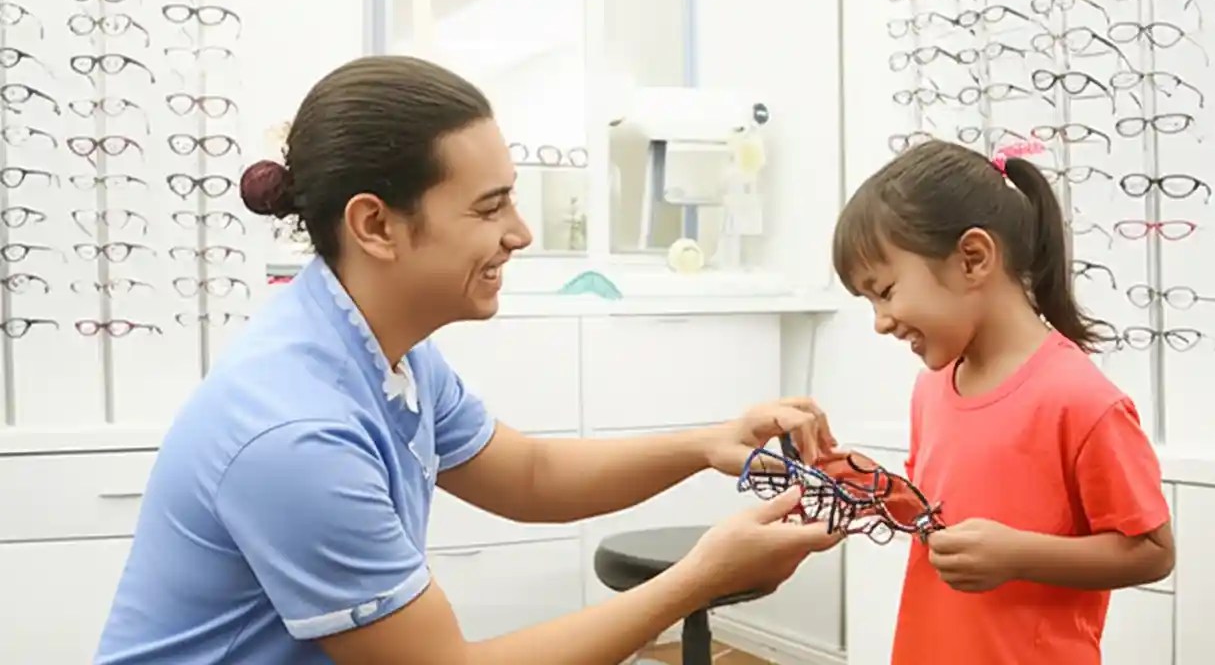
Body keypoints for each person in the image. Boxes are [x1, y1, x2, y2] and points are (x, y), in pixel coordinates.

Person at [93, 55, 844, 665]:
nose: (520, 233)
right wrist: (700, 579)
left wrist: (705, 444)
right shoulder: (293, 433)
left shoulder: (388, 354)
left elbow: (528, 476)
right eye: (490, 208)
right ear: (375, 225)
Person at [830, 139, 1175, 665]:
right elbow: (936, 515)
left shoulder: (1080, 400)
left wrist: (1016, 556)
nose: (880, 321)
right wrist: (841, 474)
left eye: (886, 291)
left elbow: (1152, 552)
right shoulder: (932, 388)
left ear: (973, 258)